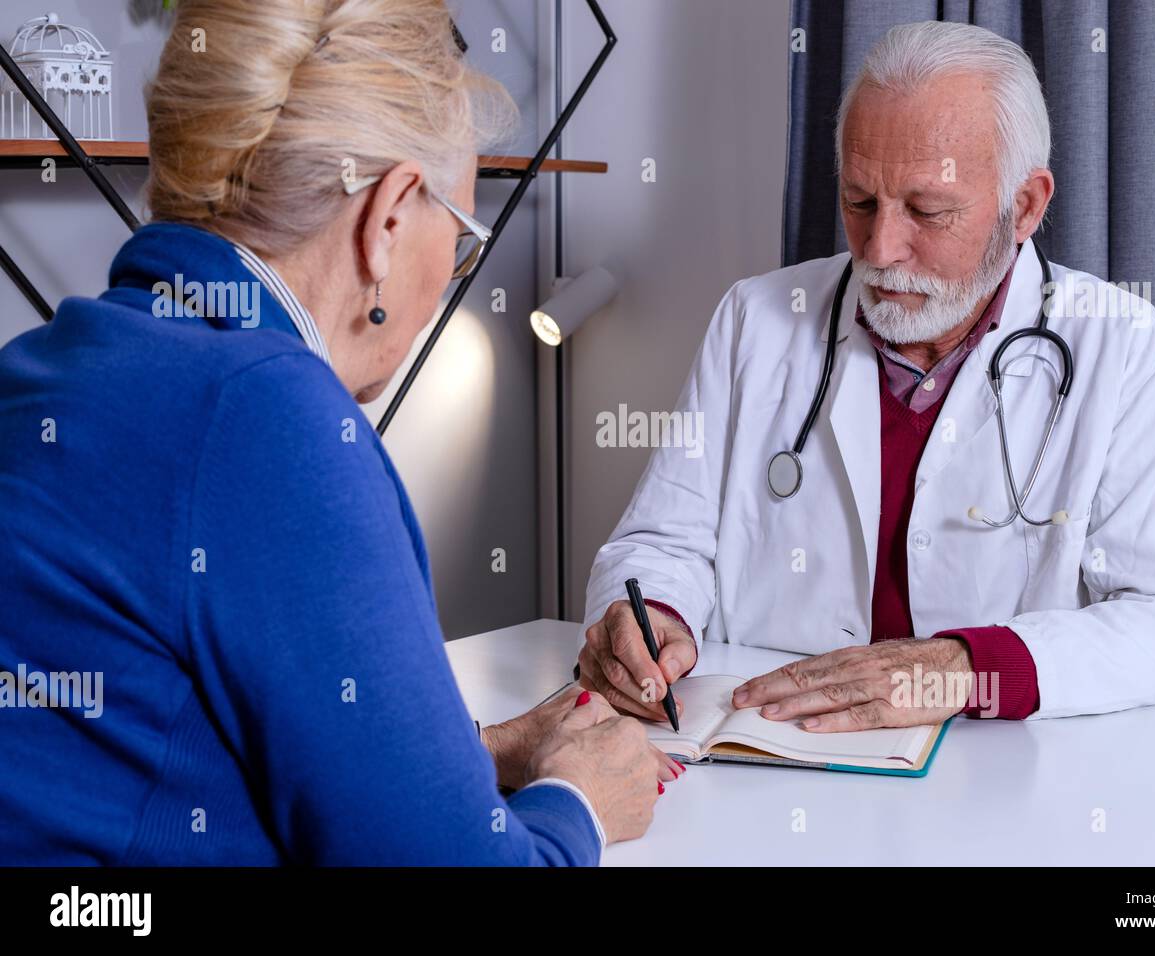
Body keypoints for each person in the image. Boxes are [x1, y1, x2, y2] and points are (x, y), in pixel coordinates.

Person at [0, 0, 674, 866]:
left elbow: (164, 735)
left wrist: (464, 757)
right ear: (388, 220)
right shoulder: (268, 414)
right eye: (461, 242)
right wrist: (579, 801)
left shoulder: (41, 366)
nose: (452, 273)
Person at [580, 20, 1155, 729]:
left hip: (1007, 772)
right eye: (859, 201)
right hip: (766, 752)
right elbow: (663, 544)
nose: (879, 249)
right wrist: (649, 616)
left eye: (927, 210)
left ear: (1024, 206)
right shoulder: (756, 318)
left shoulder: (1122, 344)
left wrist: (966, 668)